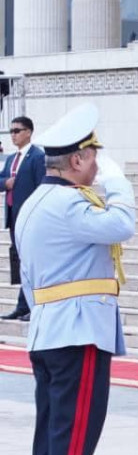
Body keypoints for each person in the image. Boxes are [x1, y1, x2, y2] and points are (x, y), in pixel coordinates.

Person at [16, 105, 132, 455]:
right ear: (78, 160)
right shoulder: (68, 202)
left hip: (51, 328)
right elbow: (123, 225)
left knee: (53, 436)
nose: (99, 167)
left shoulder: (33, 203)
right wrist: (120, 187)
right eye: (94, 158)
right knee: (72, 436)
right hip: (77, 331)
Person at [2, 117, 45, 320]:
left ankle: (31, 304)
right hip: (13, 216)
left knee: (31, 261)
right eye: (11, 131)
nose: (13, 134)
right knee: (21, 260)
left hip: (30, 218)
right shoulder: (11, 159)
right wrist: (6, 183)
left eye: (17, 130)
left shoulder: (37, 157)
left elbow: (41, 187)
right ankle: (23, 304)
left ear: (28, 132)